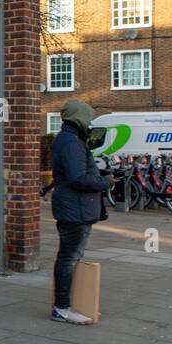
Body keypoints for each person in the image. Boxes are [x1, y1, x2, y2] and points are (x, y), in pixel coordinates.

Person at [49, 99, 109, 326]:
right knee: (68, 258)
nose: (90, 122)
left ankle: (68, 304)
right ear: (80, 118)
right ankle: (62, 308)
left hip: (74, 208)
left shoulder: (69, 139)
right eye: (88, 118)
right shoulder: (72, 142)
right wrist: (105, 182)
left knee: (70, 258)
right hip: (75, 210)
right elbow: (79, 178)